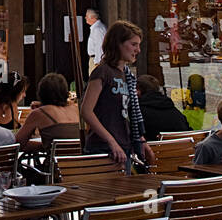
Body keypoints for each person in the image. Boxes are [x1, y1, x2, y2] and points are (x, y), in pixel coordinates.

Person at [80, 20, 154, 171]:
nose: (138, 50)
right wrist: (111, 141)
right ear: (118, 44)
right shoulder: (103, 72)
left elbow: (128, 114)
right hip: (102, 147)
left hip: (124, 145)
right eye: (133, 44)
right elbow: (86, 111)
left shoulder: (127, 75)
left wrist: (141, 140)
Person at [16, 72, 80, 151]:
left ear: (42, 93)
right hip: (79, 160)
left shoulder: (39, 113)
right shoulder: (76, 109)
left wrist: (45, 145)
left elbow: (18, 143)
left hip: (56, 161)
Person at [136, 74, 191, 140]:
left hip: (154, 149)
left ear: (138, 91)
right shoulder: (176, 112)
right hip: (182, 149)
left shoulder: (138, 113)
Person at [85, 9, 107, 73]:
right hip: (94, 59)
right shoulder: (96, 28)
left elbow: (100, 46)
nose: (85, 18)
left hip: (96, 60)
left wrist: (97, 62)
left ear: (93, 18)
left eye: (87, 16)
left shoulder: (98, 29)